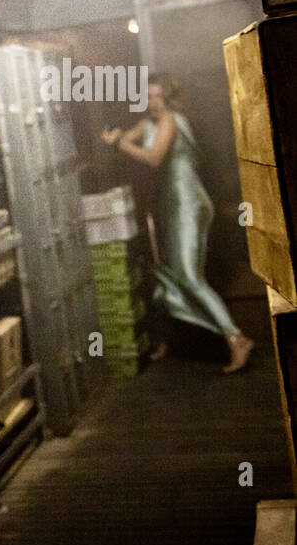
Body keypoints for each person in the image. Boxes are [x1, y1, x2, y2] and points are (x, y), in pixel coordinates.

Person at [102, 73, 254, 373]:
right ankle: (167, 339)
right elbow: (129, 141)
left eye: (158, 97)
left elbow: (154, 157)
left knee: (187, 276)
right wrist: (115, 140)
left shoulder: (171, 119)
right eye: (148, 97)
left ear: (168, 99)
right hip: (172, 207)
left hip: (189, 204)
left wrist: (120, 142)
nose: (153, 103)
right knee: (165, 277)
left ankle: (236, 339)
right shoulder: (150, 124)